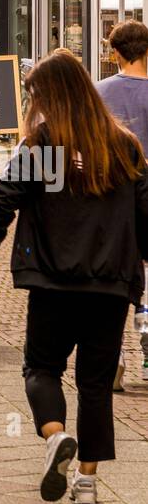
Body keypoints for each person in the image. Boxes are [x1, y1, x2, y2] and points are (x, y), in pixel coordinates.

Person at [0, 48, 148, 504]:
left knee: (42, 368)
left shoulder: (40, 145)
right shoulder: (124, 145)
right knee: (96, 385)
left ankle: (55, 435)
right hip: (110, 283)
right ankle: (88, 481)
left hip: (52, 280)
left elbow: (3, 202)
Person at [97, 20, 148, 387]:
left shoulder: (98, 94)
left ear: (114, 53)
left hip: (112, 198)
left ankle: (114, 357)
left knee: (112, 280)